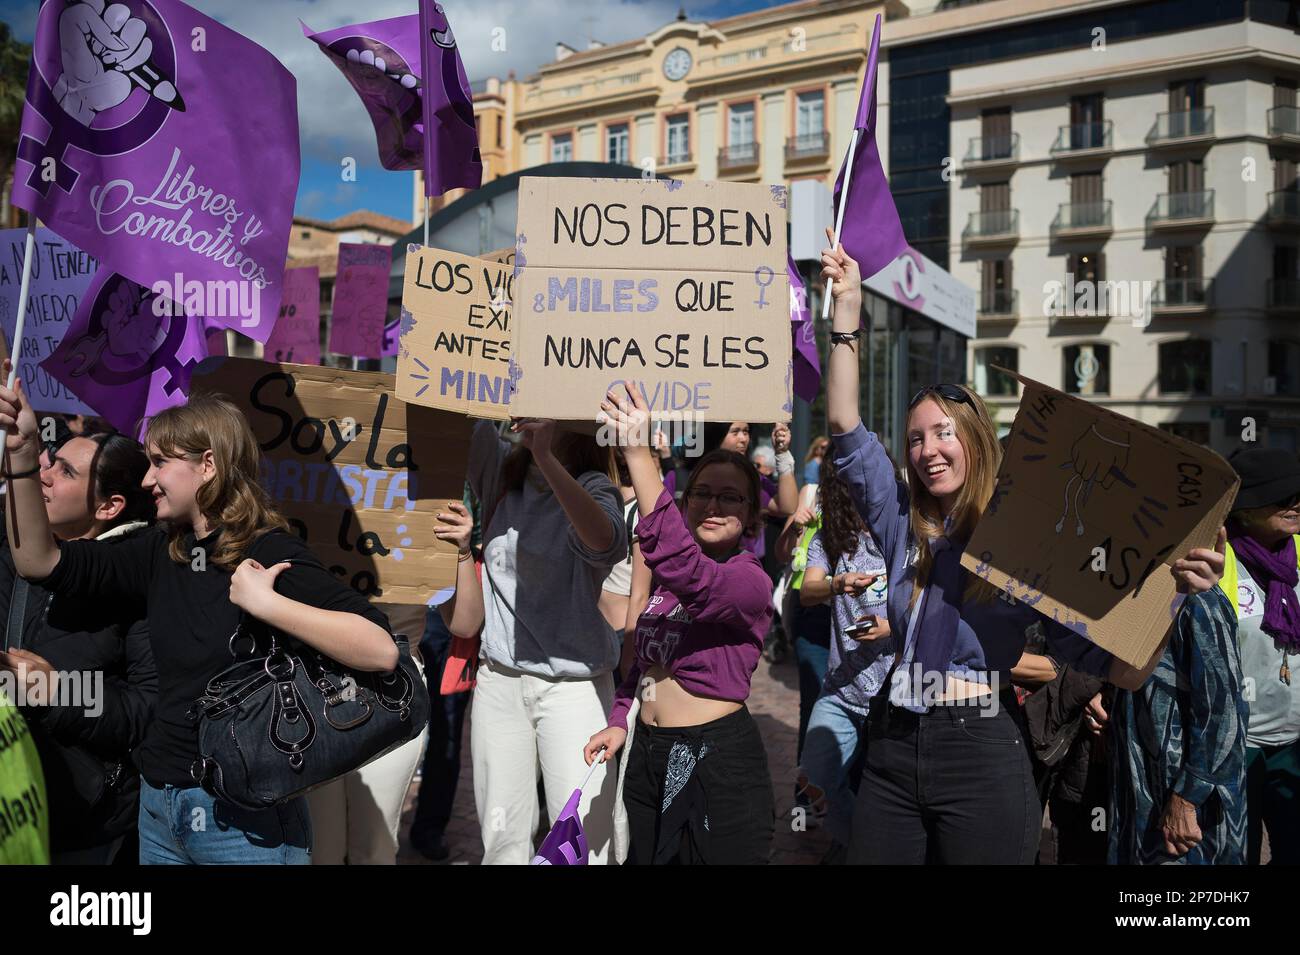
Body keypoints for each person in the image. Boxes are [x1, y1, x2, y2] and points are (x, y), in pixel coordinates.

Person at [820, 231, 1227, 865]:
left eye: (944, 434)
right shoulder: (898, 517)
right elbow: (844, 421)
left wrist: (1172, 597)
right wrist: (848, 305)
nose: (928, 450)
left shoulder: (1026, 536)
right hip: (893, 746)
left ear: (977, 440)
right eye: (916, 438)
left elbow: (1119, 669)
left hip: (980, 751)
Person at [0, 370, 400, 865]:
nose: (148, 480)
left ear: (208, 465)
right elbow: (39, 561)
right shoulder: (157, 550)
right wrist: (21, 454)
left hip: (242, 822)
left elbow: (381, 650)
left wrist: (271, 604)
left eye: (161, 463)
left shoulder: (269, 550)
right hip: (160, 808)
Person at [584, 383, 776, 865]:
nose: (714, 507)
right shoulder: (666, 591)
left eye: (730, 498)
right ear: (686, 504)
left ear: (750, 514)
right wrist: (618, 722)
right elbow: (643, 666)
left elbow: (693, 575)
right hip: (647, 753)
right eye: (703, 495)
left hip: (717, 763)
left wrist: (638, 452)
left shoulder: (748, 579)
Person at [467, 417, 627, 865]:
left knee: (582, 844)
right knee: (501, 842)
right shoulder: (501, 473)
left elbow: (604, 542)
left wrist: (545, 457)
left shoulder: (596, 485)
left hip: (573, 688)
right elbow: (458, 402)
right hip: (500, 682)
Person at [0, 429, 157, 865]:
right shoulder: (9, 546)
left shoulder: (136, 582)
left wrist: (57, 692)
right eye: (49, 461)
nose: (44, 476)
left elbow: (143, 712)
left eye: (65, 471)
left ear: (109, 507)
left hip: (76, 822)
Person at [794, 451, 894, 860]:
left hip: (895, 692)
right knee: (812, 780)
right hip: (841, 690)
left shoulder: (900, 532)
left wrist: (892, 628)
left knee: (887, 794)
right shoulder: (830, 539)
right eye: (851, 480)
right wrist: (838, 583)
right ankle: (859, 847)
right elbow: (807, 591)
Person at [1108, 587, 1248, 864]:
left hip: (1186, 808)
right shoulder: (1140, 595)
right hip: (1144, 797)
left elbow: (1223, 714)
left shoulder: (1199, 600)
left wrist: (1187, 798)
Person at [1218, 447, 1300, 865]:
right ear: (1247, 506)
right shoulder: (1217, 560)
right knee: (1236, 856)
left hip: (1295, 743)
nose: (1296, 503)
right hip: (1238, 745)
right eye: (1283, 496)